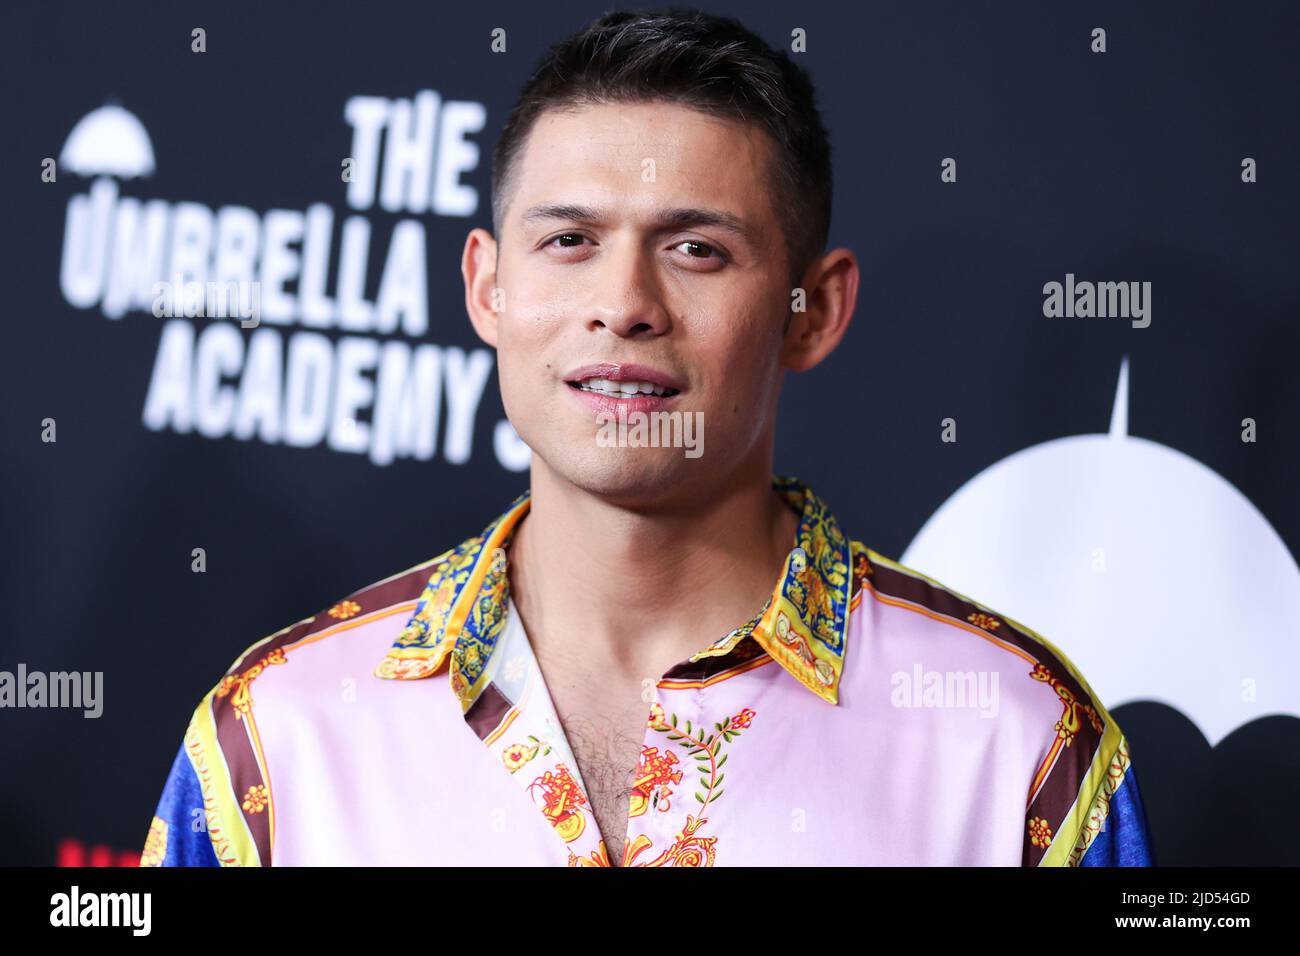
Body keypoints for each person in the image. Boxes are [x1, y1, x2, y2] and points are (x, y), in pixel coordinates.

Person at [141, 7, 1154, 867]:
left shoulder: (1012, 738)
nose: (623, 304)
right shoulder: (277, 738)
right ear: (487, 285)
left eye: (696, 249)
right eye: (569, 241)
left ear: (814, 310)